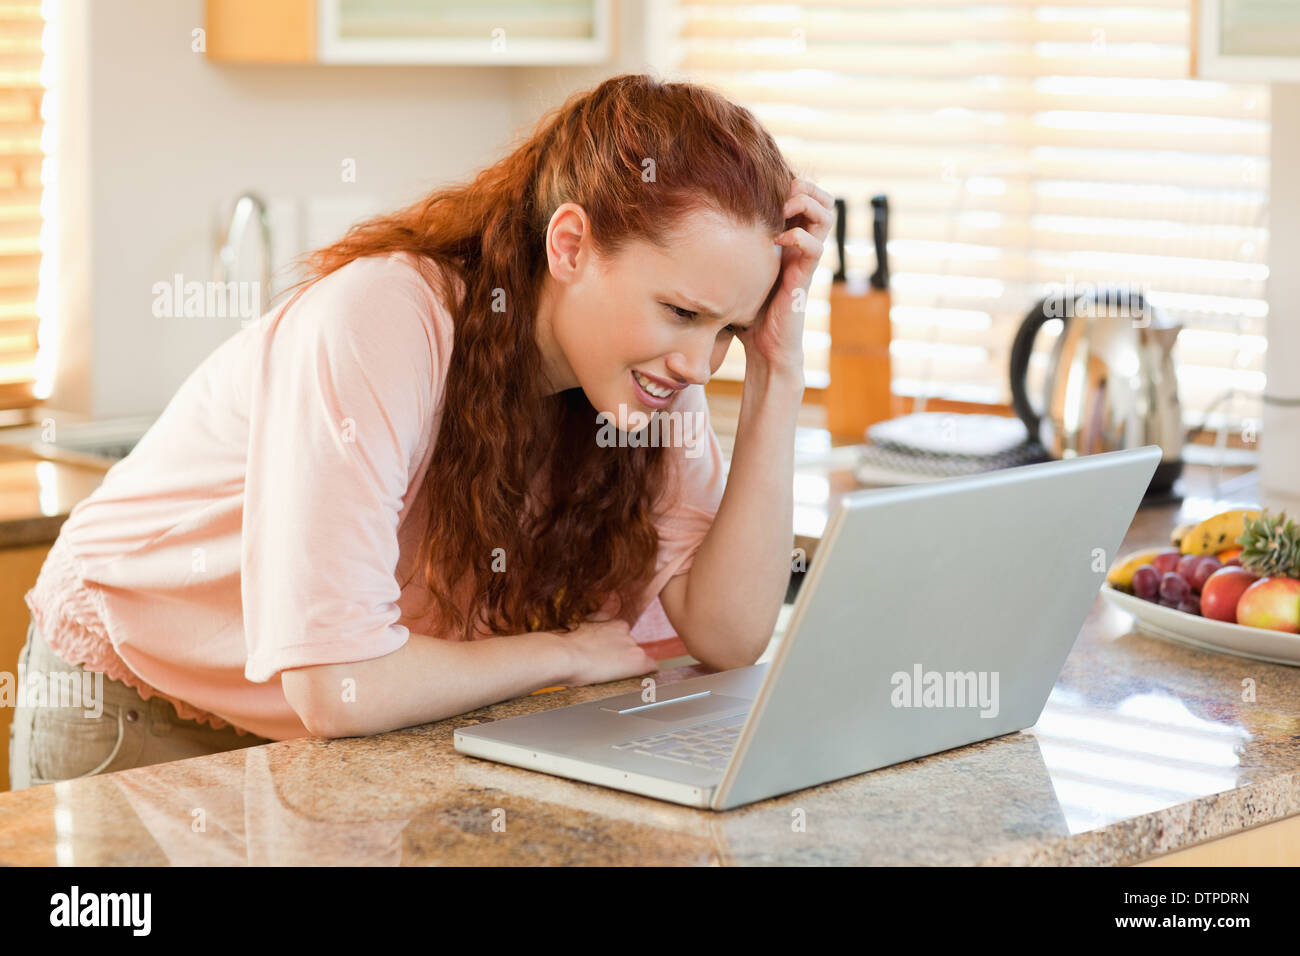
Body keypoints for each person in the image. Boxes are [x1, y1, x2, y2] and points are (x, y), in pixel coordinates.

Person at [9, 72, 831, 790]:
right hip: (138, 694)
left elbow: (728, 633)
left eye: (727, 330)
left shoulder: (649, 381)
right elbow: (339, 687)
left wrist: (777, 370)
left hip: (339, 739)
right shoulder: (384, 322)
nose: (699, 363)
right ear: (572, 245)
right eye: (683, 312)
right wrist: (563, 652)